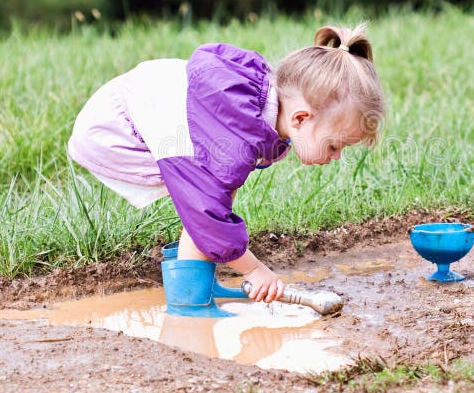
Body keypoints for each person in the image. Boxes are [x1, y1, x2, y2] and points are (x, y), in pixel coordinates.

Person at [67, 24, 385, 305]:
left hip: (137, 107)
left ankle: (197, 282)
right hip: (115, 132)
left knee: (216, 190)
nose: (336, 157)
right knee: (207, 202)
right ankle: (188, 301)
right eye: (334, 145)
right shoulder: (233, 138)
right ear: (300, 118)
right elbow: (207, 214)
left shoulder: (254, 106)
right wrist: (256, 271)